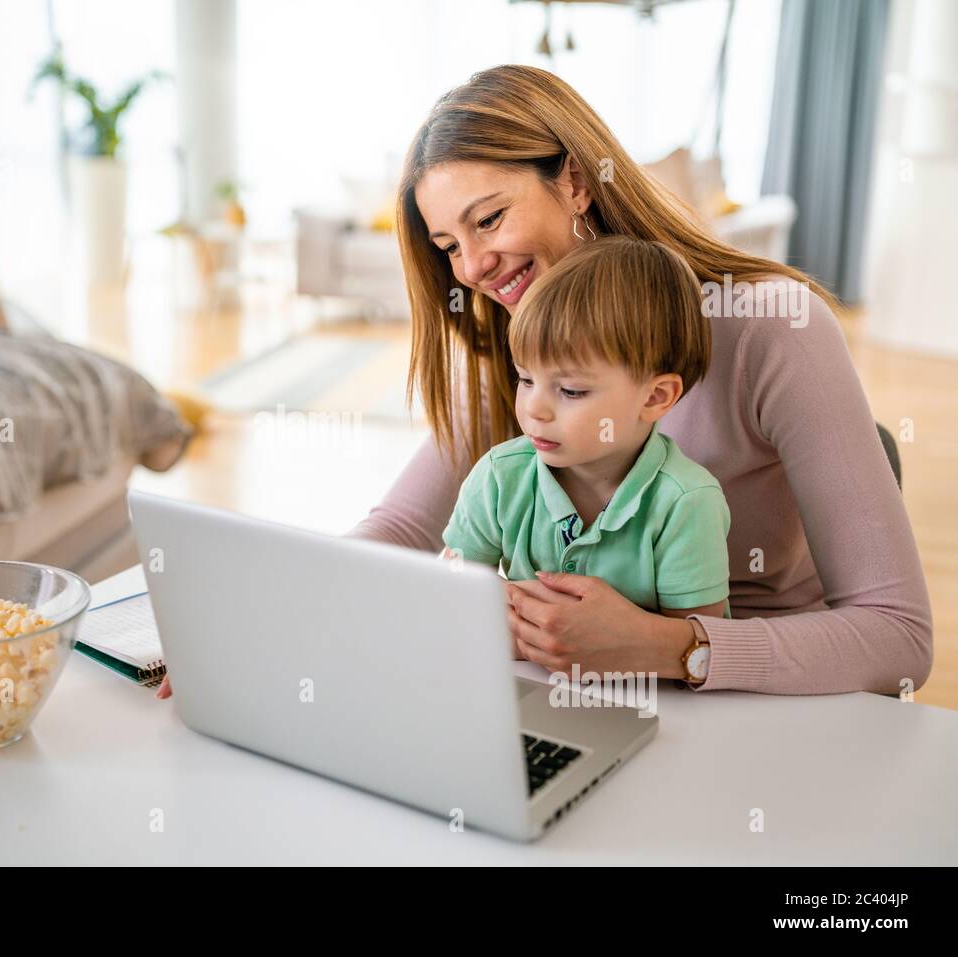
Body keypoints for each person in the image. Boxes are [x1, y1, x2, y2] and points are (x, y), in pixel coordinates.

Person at [157, 64, 931, 700]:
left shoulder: (770, 328)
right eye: (448, 244)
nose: (471, 268)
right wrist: (263, 628)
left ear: (574, 181)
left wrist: (670, 646)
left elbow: (898, 637)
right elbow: (399, 531)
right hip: (561, 698)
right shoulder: (508, 349)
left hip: (756, 706)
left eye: (488, 220)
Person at [441, 236, 732, 674]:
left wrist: (518, 632)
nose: (534, 409)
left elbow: (692, 647)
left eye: (571, 390)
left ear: (655, 397)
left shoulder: (687, 502)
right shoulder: (500, 478)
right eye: (524, 379)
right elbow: (450, 601)